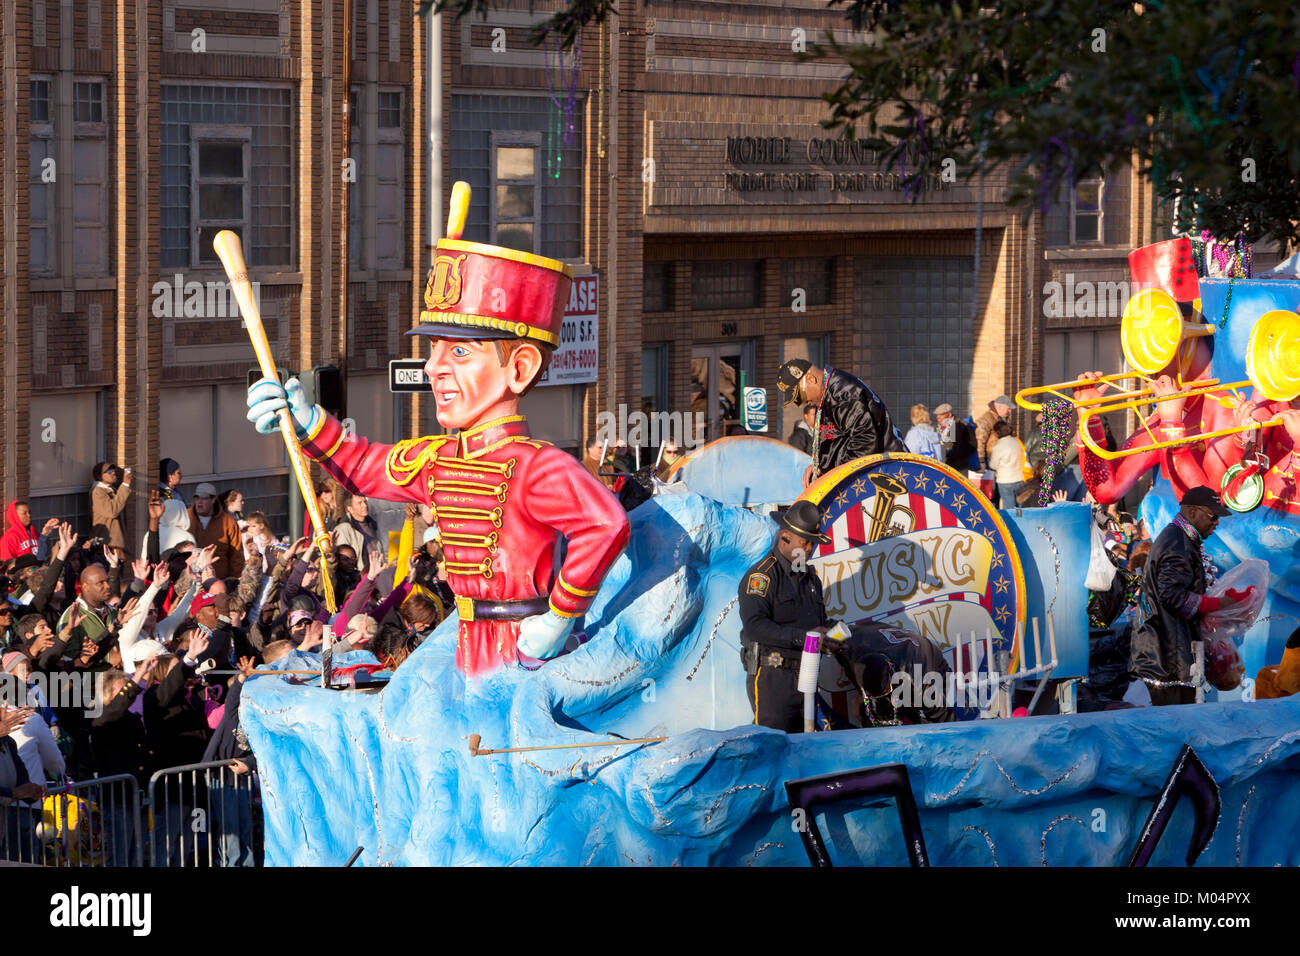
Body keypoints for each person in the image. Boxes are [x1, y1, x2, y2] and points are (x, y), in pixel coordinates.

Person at [246, 182, 630, 675]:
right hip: (466, 645)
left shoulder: (538, 465)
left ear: (520, 367)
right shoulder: (437, 458)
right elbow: (363, 465)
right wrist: (307, 422)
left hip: (526, 655)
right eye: (433, 350)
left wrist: (557, 619)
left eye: (460, 352)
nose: (434, 368)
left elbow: (605, 524)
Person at [1131, 486, 1254, 706]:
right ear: (1192, 511)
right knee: (1176, 729)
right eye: (1213, 516)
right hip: (1166, 658)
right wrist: (1220, 603)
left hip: (1167, 653)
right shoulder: (1178, 544)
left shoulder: (1180, 539)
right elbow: (1173, 597)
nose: (1216, 523)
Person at [737, 501, 839, 732]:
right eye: (805, 543)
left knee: (809, 747)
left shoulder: (811, 578)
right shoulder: (762, 577)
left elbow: (817, 623)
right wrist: (805, 638)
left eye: (812, 544)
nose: (809, 550)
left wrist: (830, 633)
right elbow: (755, 627)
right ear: (785, 537)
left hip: (808, 674)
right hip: (773, 677)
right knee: (774, 745)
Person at [775, 359, 905, 488]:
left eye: (799, 396)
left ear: (811, 379)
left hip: (885, 475)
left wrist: (834, 476)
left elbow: (865, 441)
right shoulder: (830, 392)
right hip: (871, 475)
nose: (802, 403)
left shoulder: (844, 393)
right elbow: (837, 440)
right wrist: (820, 467)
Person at [188, 482, 244, 579]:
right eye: (197, 498)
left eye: (204, 498)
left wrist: (236, 579)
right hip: (190, 580)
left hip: (217, 580)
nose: (199, 502)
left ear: (213, 499)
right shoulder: (185, 518)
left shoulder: (228, 522)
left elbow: (237, 554)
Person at [90, 462, 133, 561]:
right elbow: (112, 511)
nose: (113, 473)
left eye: (114, 470)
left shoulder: (110, 489)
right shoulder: (97, 492)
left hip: (115, 545)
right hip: (106, 546)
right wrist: (125, 485)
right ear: (100, 475)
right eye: (109, 471)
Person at [988, 420, 1028, 507]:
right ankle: (1020, 519)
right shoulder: (1018, 442)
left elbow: (993, 465)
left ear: (997, 433)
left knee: (1009, 506)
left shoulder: (998, 446)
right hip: (1019, 477)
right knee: (1020, 505)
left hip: (1005, 480)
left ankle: (1010, 520)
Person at [333, 493, 380, 558]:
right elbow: (343, 559)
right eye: (360, 503)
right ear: (350, 509)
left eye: (365, 501)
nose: (365, 505)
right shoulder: (343, 529)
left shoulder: (372, 523)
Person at [974, 395, 1013, 472]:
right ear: (999, 407)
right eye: (1008, 409)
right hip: (990, 458)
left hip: (998, 457)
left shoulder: (1001, 418)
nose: (1010, 411)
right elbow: (980, 440)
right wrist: (981, 460)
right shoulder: (986, 419)